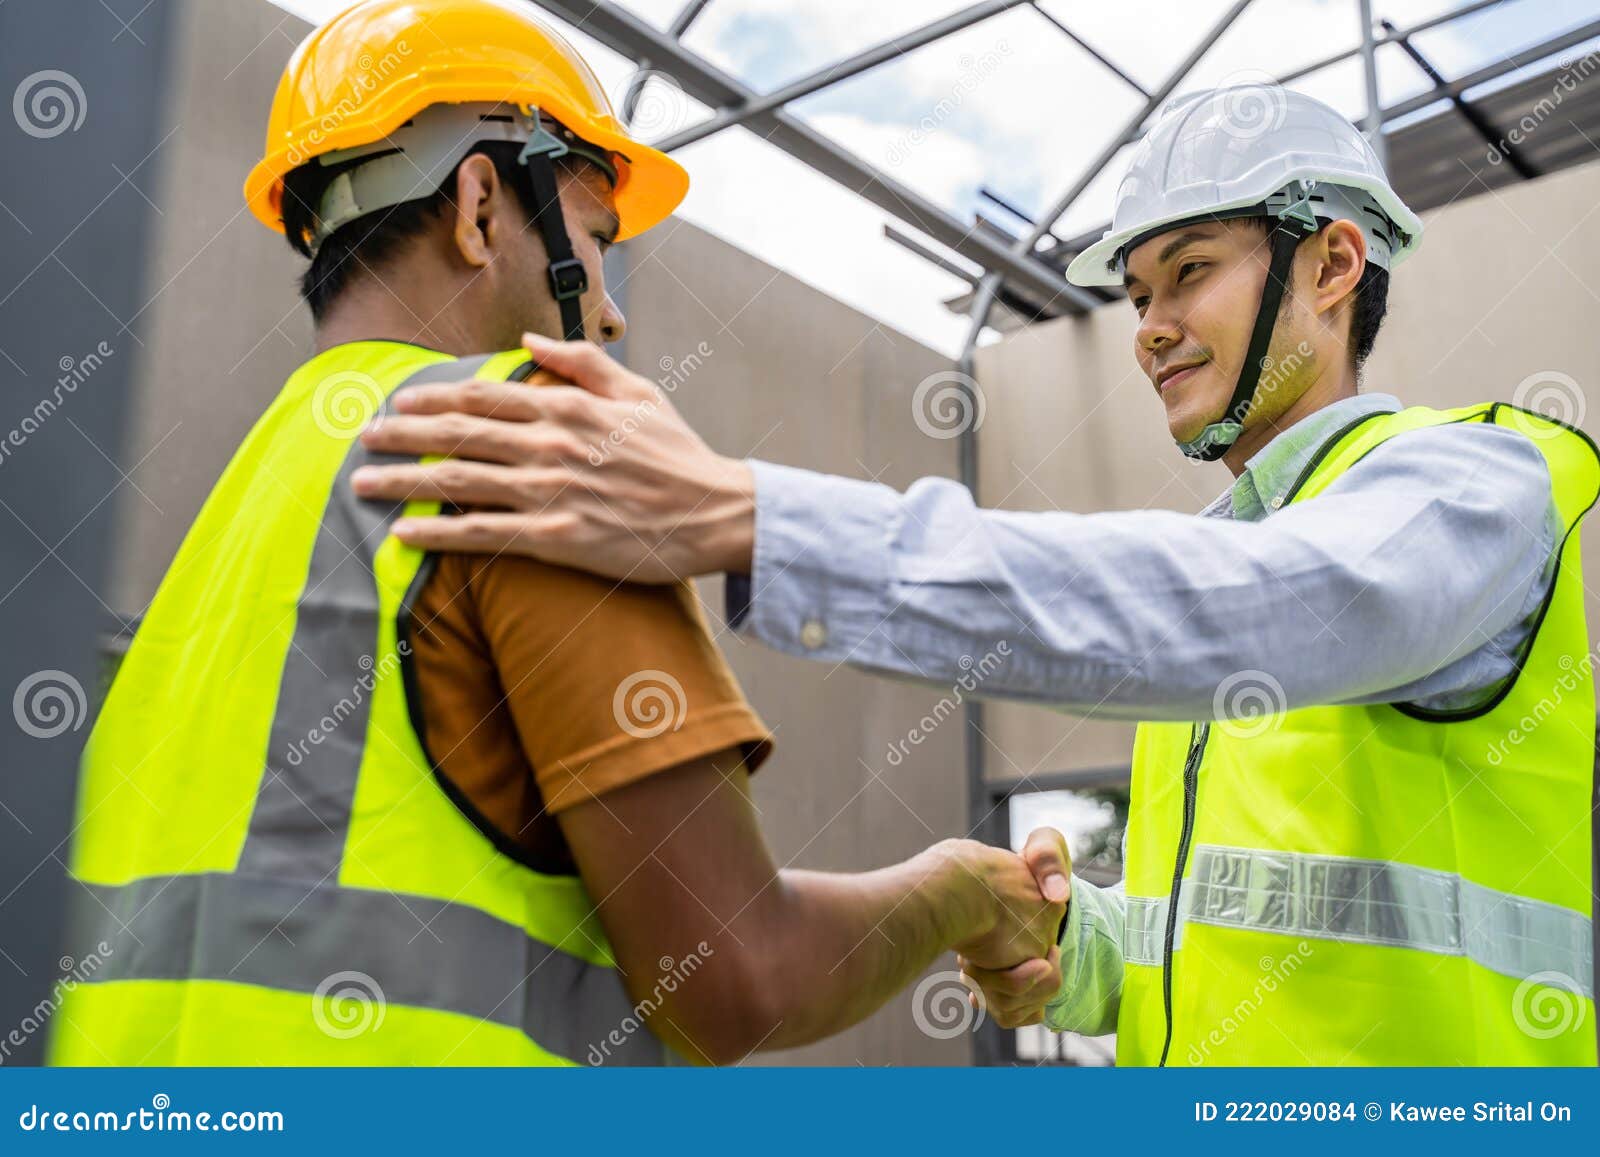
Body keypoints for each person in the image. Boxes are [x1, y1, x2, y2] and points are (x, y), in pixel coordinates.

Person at [350, 84, 1599, 1065]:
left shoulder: (1476, 487)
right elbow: (1226, 947)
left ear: (1331, 266)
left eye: (1192, 272)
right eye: (1138, 289)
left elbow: (1264, 610)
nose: (1148, 325)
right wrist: (1076, 935)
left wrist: (748, 517)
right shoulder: (1230, 557)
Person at [49, 0, 1068, 1068]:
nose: (615, 314)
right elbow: (733, 977)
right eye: (593, 234)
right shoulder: (530, 442)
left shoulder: (242, 504)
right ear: (481, 203)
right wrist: (959, 886)